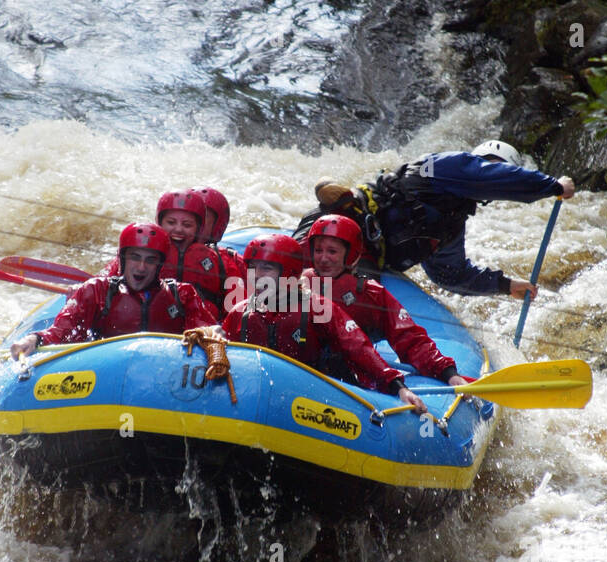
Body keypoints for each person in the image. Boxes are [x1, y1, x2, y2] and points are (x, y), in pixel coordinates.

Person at [295, 141, 575, 300]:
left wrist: (505, 285)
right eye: (492, 168)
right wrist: (551, 186)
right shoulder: (444, 166)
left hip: (364, 262)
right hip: (331, 228)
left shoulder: (450, 226)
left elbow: (451, 275)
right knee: (290, 277)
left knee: (349, 307)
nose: (490, 174)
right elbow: (485, 176)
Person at [220, 233, 431, 415]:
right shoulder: (240, 313)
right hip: (261, 393)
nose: (257, 276)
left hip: (316, 399)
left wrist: (398, 387)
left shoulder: (318, 309)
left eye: (266, 269)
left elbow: (359, 349)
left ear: (289, 273)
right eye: (252, 268)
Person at [302, 215, 465, 387]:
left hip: (347, 375)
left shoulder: (370, 294)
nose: (323, 258)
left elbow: (409, 338)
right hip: (301, 367)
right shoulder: (298, 283)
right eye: (318, 250)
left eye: (332, 251)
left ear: (351, 255)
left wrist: (448, 373)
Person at [10, 223, 218, 357]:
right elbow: (62, 332)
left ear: (160, 265)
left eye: (150, 260)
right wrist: (35, 339)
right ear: (122, 259)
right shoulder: (97, 291)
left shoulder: (182, 295)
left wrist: (213, 332)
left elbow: (207, 330)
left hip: (163, 370)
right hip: (106, 370)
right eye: (135, 257)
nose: (141, 267)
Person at [102, 190, 241, 321]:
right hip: (147, 324)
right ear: (159, 223)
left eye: (187, 225)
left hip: (201, 329)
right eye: (171, 222)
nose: (178, 229)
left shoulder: (222, 260)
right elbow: (104, 286)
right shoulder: (141, 253)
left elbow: (240, 308)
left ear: (199, 228)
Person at [197, 186, 245, 285]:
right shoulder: (160, 254)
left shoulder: (231, 263)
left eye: (203, 215)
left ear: (217, 226)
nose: (193, 221)